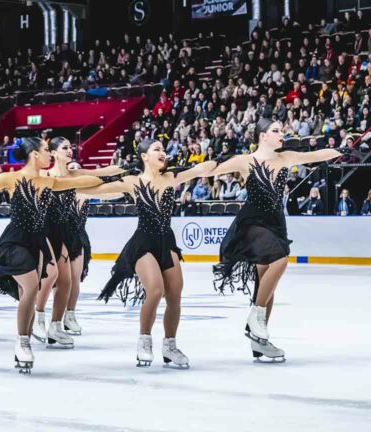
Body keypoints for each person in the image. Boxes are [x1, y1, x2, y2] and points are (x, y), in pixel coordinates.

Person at [0, 137, 105, 373]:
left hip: (38, 242)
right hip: (16, 240)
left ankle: (25, 338)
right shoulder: (13, 178)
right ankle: (23, 341)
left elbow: (82, 181)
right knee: (30, 287)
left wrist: (107, 177)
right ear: (35, 154)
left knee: (32, 290)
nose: (50, 154)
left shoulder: (48, 182)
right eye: (47, 150)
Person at [210, 118, 349, 362]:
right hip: (253, 222)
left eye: (281, 131)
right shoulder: (246, 161)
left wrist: (341, 149)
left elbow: (316, 155)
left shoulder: (286, 158)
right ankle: (256, 316)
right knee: (280, 261)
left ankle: (259, 342)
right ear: (262, 136)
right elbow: (212, 170)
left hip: (276, 223)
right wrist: (171, 175)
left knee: (267, 281)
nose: (281, 134)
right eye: (276, 131)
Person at [79, 139, 219, 368]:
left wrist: (218, 163)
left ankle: (170, 346)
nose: (162, 153)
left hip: (167, 242)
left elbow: (197, 170)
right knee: (155, 289)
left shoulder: (171, 177)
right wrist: (69, 185)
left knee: (175, 296)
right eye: (157, 149)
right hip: (143, 243)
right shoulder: (133, 181)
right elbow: (100, 190)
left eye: (163, 149)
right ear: (144, 156)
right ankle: (144, 340)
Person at [34, 136, 128, 345]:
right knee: (49, 278)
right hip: (45, 232)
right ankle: (38, 318)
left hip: (67, 233)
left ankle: (57, 324)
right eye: (65, 148)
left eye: (70, 147)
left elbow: (103, 173)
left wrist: (127, 170)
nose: (70, 151)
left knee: (68, 281)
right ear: (53, 152)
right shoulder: (44, 175)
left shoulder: (76, 176)